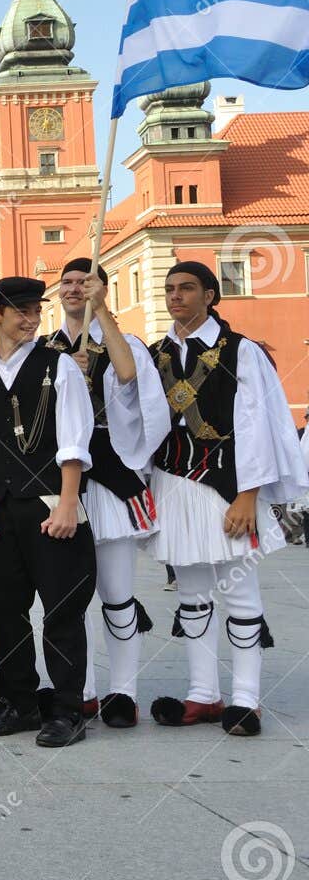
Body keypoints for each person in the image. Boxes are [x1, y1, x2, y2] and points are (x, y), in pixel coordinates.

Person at [143, 262, 308, 737]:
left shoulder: (241, 352)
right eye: (170, 288)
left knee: (238, 590)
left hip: (227, 487)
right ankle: (203, 694)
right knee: (192, 594)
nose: (176, 296)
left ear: (210, 295)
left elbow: (257, 424)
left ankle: (245, 699)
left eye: (187, 288)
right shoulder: (155, 354)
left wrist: (248, 495)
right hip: (173, 483)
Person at [0, 276, 96, 748]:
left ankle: (66, 709)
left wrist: (67, 503)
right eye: (18, 310)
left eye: (34, 309)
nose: (30, 318)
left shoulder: (58, 365)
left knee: (61, 610)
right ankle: (18, 700)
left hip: (48, 505)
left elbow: (75, 441)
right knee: (7, 612)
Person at [43, 258, 168, 728]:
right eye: (68, 283)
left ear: (101, 289)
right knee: (71, 598)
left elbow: (130, 374)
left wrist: (103, 316)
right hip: (64, 485)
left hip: (110, 480)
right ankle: (83, 690)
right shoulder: (46, 350)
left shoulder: (123, 340)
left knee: (116, 594)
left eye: (85, 283)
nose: (75, 289)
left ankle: (123, 691)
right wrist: (62, 375)